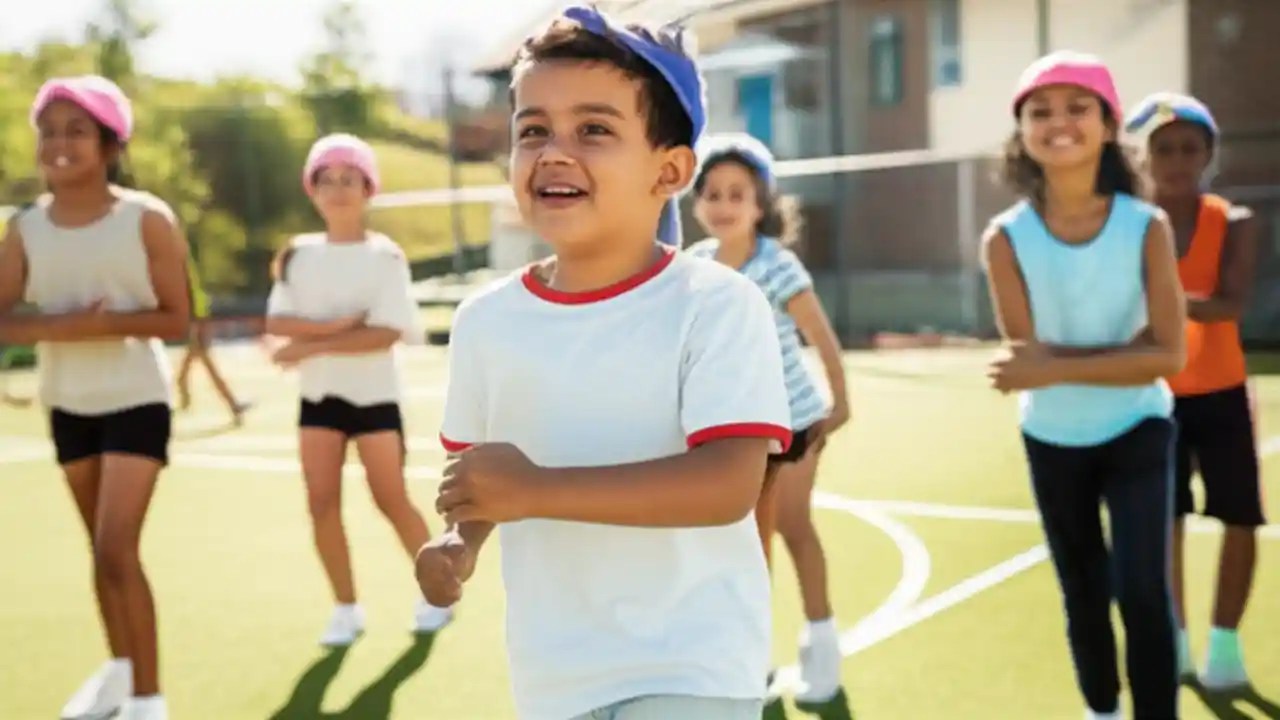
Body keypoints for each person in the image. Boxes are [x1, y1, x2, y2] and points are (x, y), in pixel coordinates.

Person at [415, 6, 791, 719]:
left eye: (594, 129)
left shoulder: (717, 304)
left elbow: (727, 486)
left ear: (669, 170)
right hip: (553, 680)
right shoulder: (485, 322)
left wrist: (535, 490)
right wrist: (458, 543)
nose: (555, 152)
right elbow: (483, 485)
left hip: (694, 666)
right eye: (533, 130)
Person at [981, 52, 1185, 720]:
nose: (1059, 123)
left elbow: (1168, 355)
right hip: (1052, 438)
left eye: (1078, 108)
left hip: (1138, 429)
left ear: (1108, 124)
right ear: (1022, 133)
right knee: (1083, 590)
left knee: (1143, 590)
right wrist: (1116, 356)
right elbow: (1027, 359)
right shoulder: (1004, 239)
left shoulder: (1145, 226)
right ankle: (1102, 710)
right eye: (1040, 112)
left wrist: (1056, 367)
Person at [0, 75, 190, 720]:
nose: (59, 143)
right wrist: (63, 327)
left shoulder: (147, 218)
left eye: (76, 131)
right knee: (101, 554)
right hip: (67, 404)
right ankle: (118, 674)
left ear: (110, 143)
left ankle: (148, 700)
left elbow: (176, 318)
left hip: (137, 400)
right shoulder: (24, 228)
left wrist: (101, 325)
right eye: (48, 131)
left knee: (115, 549)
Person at [265, 133, 452, 647]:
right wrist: (337, 328)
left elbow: (386, 333)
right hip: (318, 402)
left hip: (376, 400)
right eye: (327, 180)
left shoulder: (385, 257)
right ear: (313, 191)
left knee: (391, 499)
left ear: (369, 189)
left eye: (350, 179)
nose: (338, 189)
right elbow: (278, 322)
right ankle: (345, 608)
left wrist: (309, 346)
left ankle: (438, 592)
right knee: (321, 504)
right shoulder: (297, 255)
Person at [688, 132, 850, 703]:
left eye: (737, 194)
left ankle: (822, 650)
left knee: (793, 528)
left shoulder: (777, 265)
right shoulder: (694, 267)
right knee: (746, 545)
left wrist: (841, 400)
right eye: (712, 193)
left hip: (795, 422)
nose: (723, 205)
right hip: (737, 432)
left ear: (761, 204)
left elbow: (820, 336)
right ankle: (752, 662)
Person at [1126, 92, 1262, 691]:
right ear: (1145, 158)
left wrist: (1162, 305)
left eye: (1189, 149)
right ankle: (1175, 640)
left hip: (1222, 394)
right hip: (1154, 397)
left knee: (1241, 518)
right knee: (1164, 521)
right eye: (1164, 150)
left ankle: (1225, 646)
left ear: (1208, 154)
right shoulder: (1130, 226)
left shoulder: (1233, 221)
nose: (1177, 161)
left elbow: (1230, 303)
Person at [175, 254, 249, 425]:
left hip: (198, 320)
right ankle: (232, 404)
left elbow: (194, 294)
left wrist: (200, 321)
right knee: (202, 367)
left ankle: (232, 404)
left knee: (201, 366)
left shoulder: (182, 260)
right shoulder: (179, 261)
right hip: (197, 320)